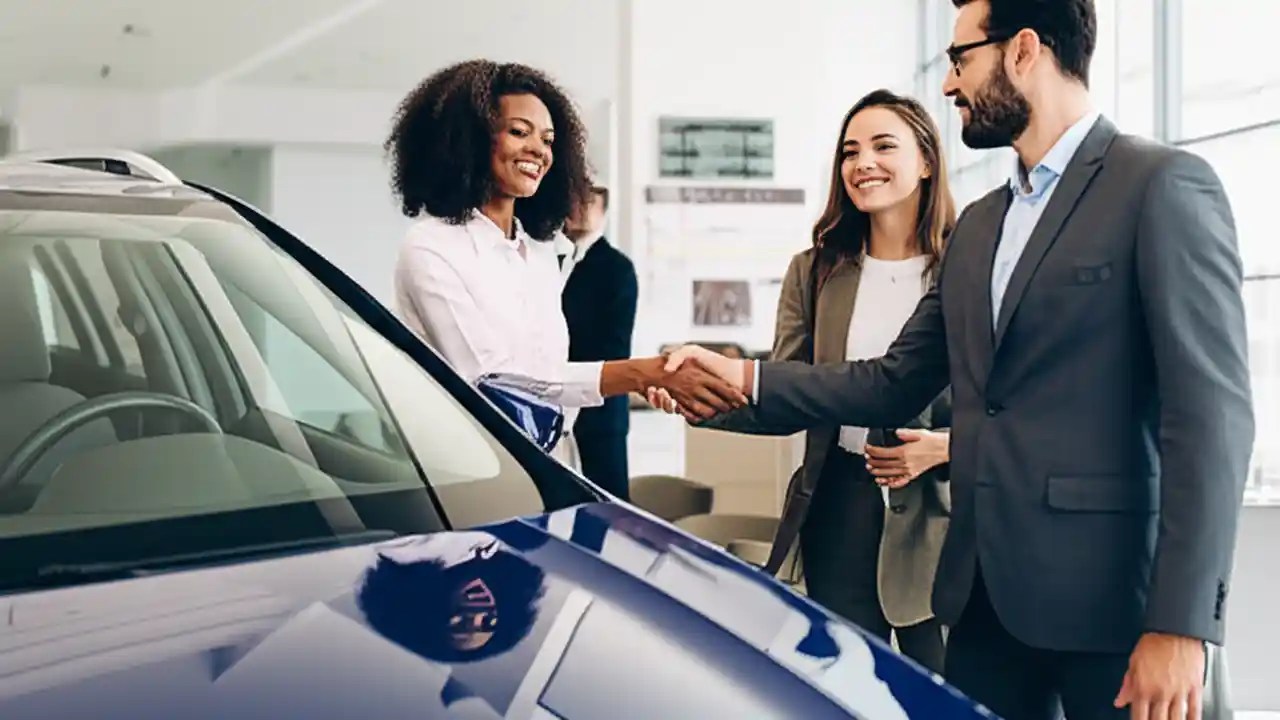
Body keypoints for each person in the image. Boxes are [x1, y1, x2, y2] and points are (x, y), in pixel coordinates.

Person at [663, 1, 1254, 718]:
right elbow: (890, 382)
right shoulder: (981, 225)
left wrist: (1182, 624)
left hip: (1115, 614)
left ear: (1024, 50)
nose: (949, 85)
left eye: (960, 58)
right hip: (981, 609)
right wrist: (746, 377)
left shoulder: (1159, 186)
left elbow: (1211, 418)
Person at [654, 89, 956, 673]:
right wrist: (697, 401)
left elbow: (1002, 398)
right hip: (839, 499)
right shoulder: (815, 270)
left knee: (942, 689)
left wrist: (946, 450)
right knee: (844, 681)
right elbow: (788, 392)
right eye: (850, 151)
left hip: (939, 507)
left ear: (926, 161)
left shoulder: (966, 265)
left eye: (883, 146)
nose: (862, 163)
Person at [386, 60, 744, 449]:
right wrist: (643, 373)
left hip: (549, 457)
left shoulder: (537, 251)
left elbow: (548, 372)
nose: (537, 150)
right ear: (468, 140)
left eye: (548, 139)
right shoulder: (431, 248)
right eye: (519, 132)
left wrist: (653, 379)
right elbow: (495, 383)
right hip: (468, 468)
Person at [561, 185, 640, 499]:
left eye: (589, 203)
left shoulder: (616, 268)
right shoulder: (553, 261)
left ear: (603, 211)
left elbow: (613, 347)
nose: (579, 209)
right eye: (573, 201)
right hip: (557, 405)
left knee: (606, 508)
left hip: (600, 409)